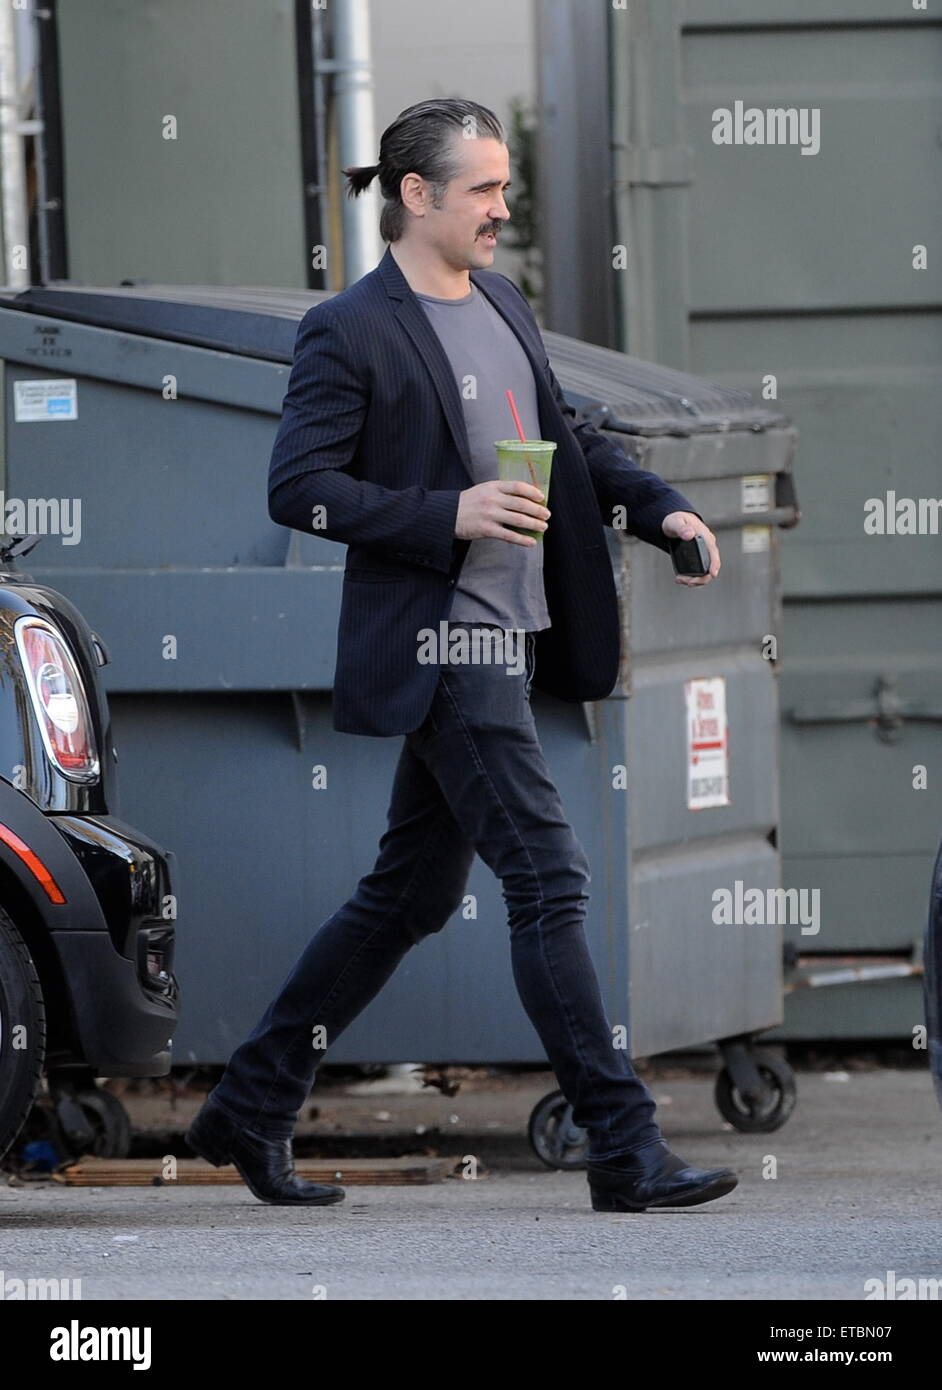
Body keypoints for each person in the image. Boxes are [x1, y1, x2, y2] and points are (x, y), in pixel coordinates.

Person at [186, 97, 737, 1213]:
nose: (501, 207)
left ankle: (250, 1102)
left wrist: (661, 509)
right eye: (482, 189)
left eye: (503, 187)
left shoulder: (500, 299)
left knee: (410, 894)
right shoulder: (352, 328)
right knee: (549, 874)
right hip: (443, 646)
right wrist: (449, 512)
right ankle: (623, 1145)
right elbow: (299, 489)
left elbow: (570, 438)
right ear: (416, 194)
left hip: (515, 635)